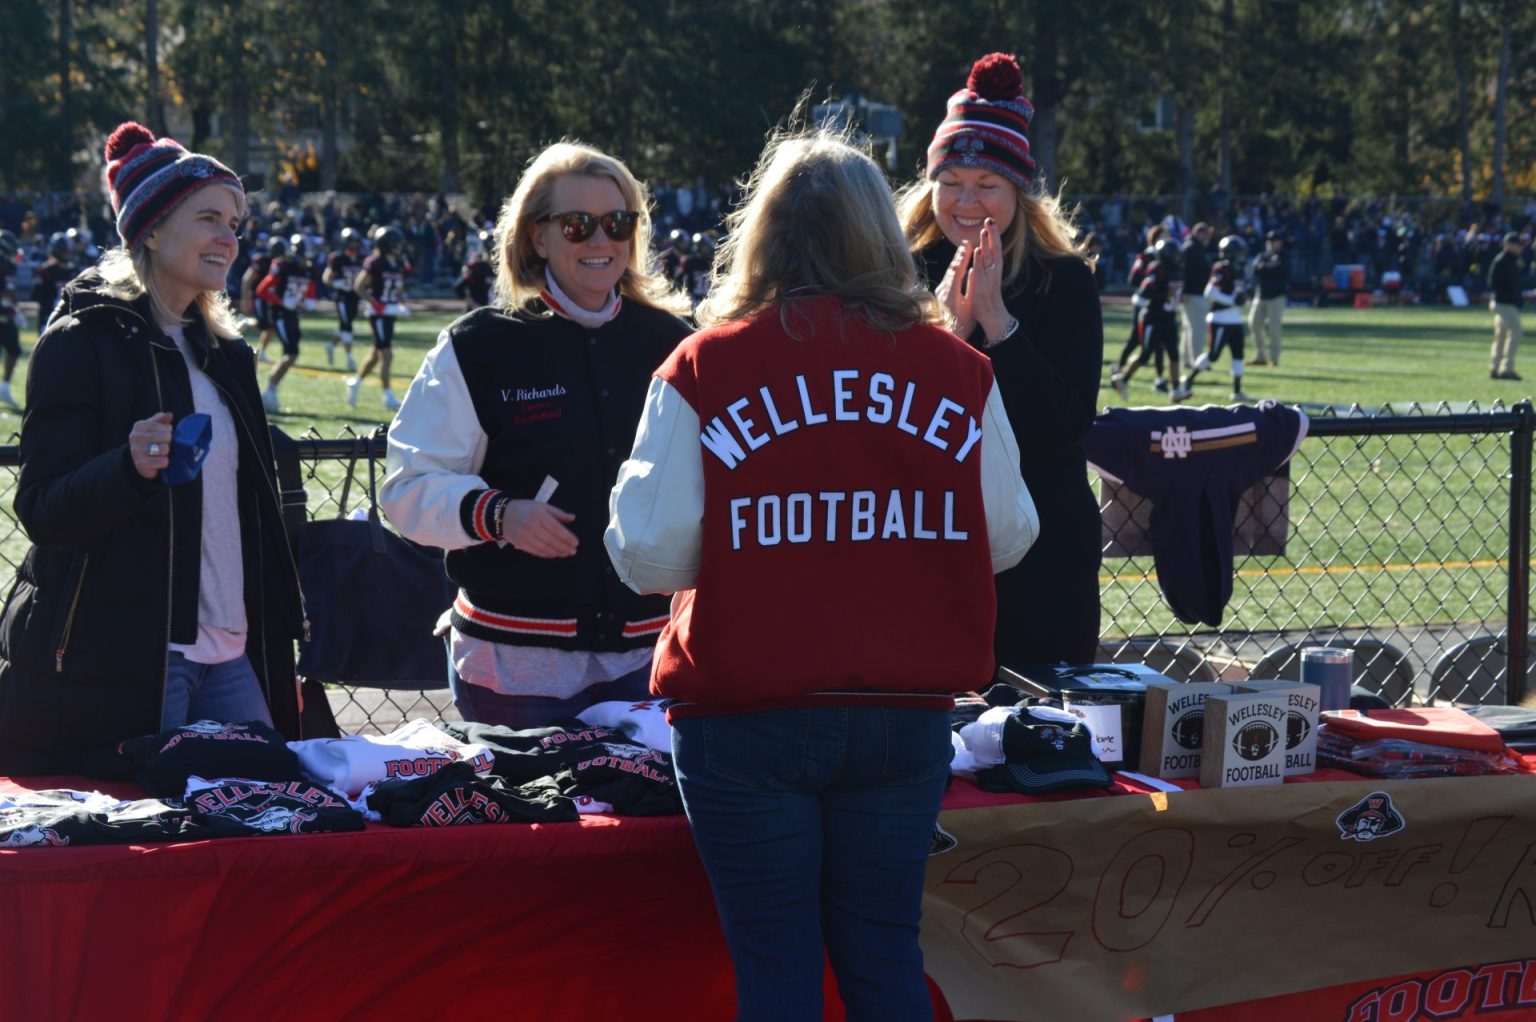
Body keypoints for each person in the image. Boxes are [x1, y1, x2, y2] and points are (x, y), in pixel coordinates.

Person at [606, 127, 1037, 1022]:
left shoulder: (706, 363)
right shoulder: (958, 370)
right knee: (884, 958)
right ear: (884, 237)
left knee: (778, 970)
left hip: (745, 714)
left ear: (761, 236)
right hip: (902, 717)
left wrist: (766, 549)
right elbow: (1008, 534)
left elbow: (646, 555)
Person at [0, 122, 307, 776]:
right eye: (209, 218)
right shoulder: (79, 342)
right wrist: (129, 468)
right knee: (160, 829)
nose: (229, 238)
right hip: (135, 663)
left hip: (233, 654)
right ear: (151, 230)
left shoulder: (227, 354)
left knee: (272, 808)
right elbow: (43, 509)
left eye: (235, 223)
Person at [380, 141, 690, 728]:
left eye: (617, 223)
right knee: (529, 795)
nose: (600, 240)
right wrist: (499, 515)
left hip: (650, 657)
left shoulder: (674, 341)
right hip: (514, 666)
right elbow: (405, 489)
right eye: (577, 225)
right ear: (537, 237)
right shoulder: (478, 346)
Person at [899, 51, 1103, 670]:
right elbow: (887, 415)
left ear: (1018, 189)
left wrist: (1000, 327)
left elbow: (1064, 427)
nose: (966, 201)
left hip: (1044, 547)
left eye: (987, 184)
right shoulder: (896, 270)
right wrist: (949, 337)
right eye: (950, 182)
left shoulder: (1063, 280)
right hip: (926, 539)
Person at [346, 225, 410, 410]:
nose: (399, 247)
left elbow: (398, 288)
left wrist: (402, 303)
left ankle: (356, 382)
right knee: (386, 354)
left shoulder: (397, 263)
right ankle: (388, 396)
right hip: (378, 314)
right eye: (396, 243)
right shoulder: (375, 263)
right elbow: (359, 286)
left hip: (389, 312)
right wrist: (375, 304)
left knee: (375, 354)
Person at [1180, 234, 1250, 401]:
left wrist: (1243, 300)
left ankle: (1237, 390)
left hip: (1235, 318)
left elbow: (1240, 294)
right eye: (1238, 253)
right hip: (1220, 318)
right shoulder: (1221, 268)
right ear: (1229, 253)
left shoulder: (1239, 270)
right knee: (1213, 355)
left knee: (1238, 354)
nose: (1241, 257)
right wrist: (1232, 300)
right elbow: (1210, 292)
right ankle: (1189, 379)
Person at [255, 233, 318, 412]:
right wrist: (281, 301)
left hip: (292, 314)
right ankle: (270, 391)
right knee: (291, 353)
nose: (307, 261)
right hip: (280, 313)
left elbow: (310, 292)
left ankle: (271, 390)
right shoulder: (283, 266)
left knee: (292, 354)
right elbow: (262, 290)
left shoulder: (309, 270)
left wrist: (308, 301)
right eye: (305, 257)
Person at [323, 226, 364, 371]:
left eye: (356, 242)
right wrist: (336, 283)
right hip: (342, 297)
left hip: (355, 296)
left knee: (344, 325)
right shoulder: (338, 258)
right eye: (352, 242)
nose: (354, 245)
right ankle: (350, 358)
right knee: (347, 326)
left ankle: (330, 345)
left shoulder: (361, 258)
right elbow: (326, 278)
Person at [1489, 232, 1526, 381]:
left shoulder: (1511, 260)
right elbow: (1493, 282)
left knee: (1501, 336)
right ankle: (1507, 368)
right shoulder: (1502, 260)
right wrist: (1510, 296)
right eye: (1517, 244)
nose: (1520, 247)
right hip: (1505, 303)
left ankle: (1495, 367)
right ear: (1509, 245)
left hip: (1504, 303)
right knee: (1516, 332)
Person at [1249, 229, 1288, 366]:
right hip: (1260, 295)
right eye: (1270, 241)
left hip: (1276, 296)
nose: (1272, 244)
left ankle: (1274, 358)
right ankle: (1260, 355)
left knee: (1274, 327)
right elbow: (1255, 268)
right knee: (1254, 324)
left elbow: (1279, 269)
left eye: (1275, 241)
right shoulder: (1263, 255)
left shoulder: (1283, 255)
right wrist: (1267, 268)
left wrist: (1265, 268)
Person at [1180, 222, 1213, 371]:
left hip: (1196, 293)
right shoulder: (1191, 249)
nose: (1205, 236)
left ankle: (1188, 360)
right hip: (1193, 293)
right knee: (1197, 329)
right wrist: (1185, 291)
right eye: (1202, 233)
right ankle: (1196, 361)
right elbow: (1185, 272)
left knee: (1190, 328)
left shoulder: (1197, 248)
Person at [0, 229, 23, 408]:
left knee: (14, 350)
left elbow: (11, 291)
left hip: (5, 313)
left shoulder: (10, 265)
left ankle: (5, 388)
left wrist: (16, 310)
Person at [453, 229, 494, 310]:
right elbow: (458, 287)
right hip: (477, 308)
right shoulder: (475, 267)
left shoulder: (493, 266)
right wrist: (470, 301)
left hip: (489, 307)